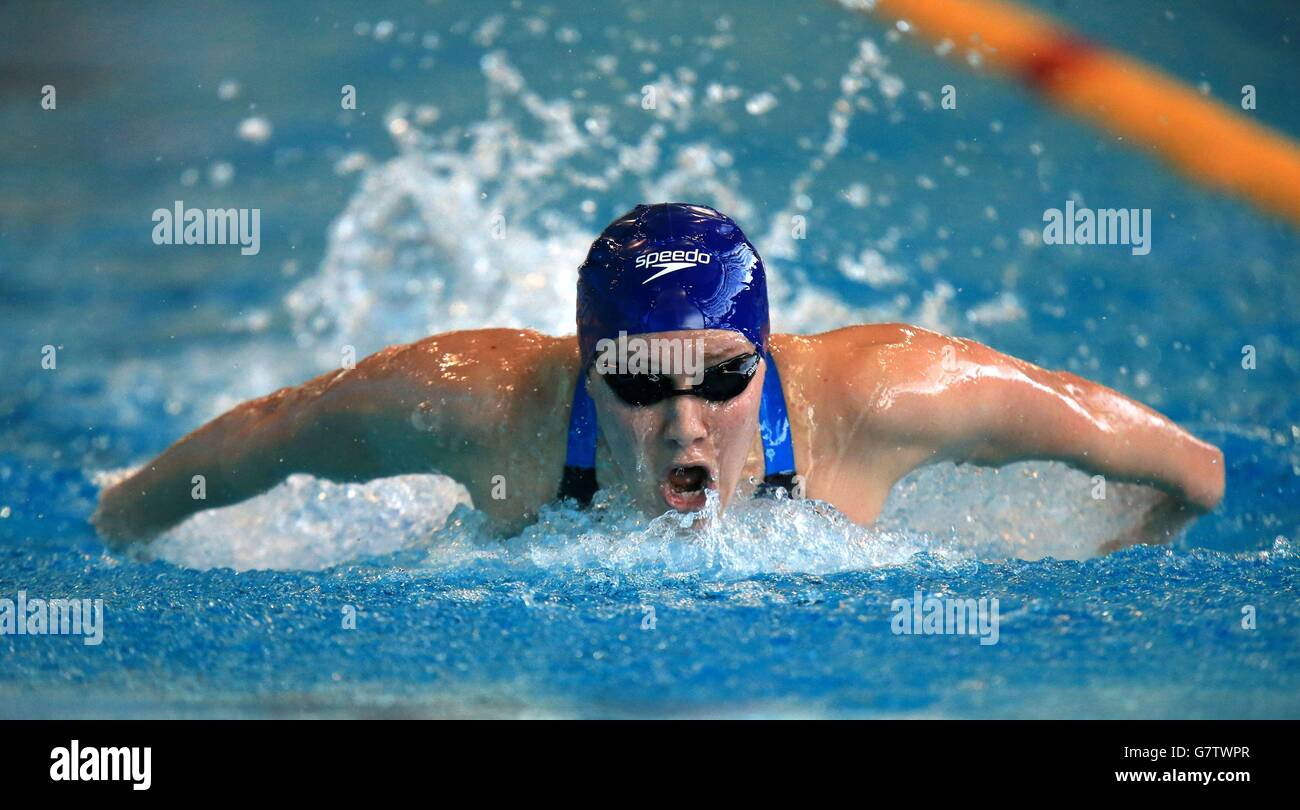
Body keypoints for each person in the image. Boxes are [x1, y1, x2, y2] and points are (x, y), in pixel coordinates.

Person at [93, 203, 1224, 549]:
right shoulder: (480, 409)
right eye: (638, 385)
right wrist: (117, 527)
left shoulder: (885, 401)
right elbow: (275, 435)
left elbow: (1195, 469)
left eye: (723, 381)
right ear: (586, 376)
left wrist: (1114, 558)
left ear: (766, 362)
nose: (685, 425)